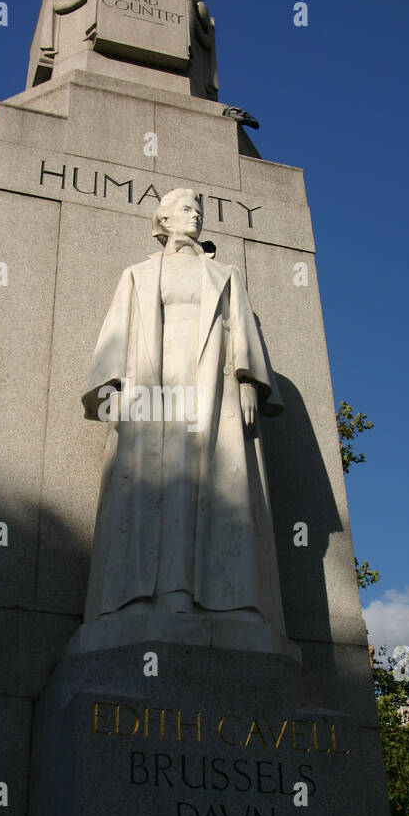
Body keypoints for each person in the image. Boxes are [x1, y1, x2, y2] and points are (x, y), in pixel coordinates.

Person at [81, 188, 285, 631]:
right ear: (166, 221)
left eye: (199, 211)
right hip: (153, 386)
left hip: (215, 383)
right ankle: (143, 594)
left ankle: (230, 599)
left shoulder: (225, 274)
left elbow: (243, 332)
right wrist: (113, 388)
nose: (195, 217)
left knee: (218, 484)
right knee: (154, 485)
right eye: (186, 210)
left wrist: (249, 383)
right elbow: (118, 332)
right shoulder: (137, 274)